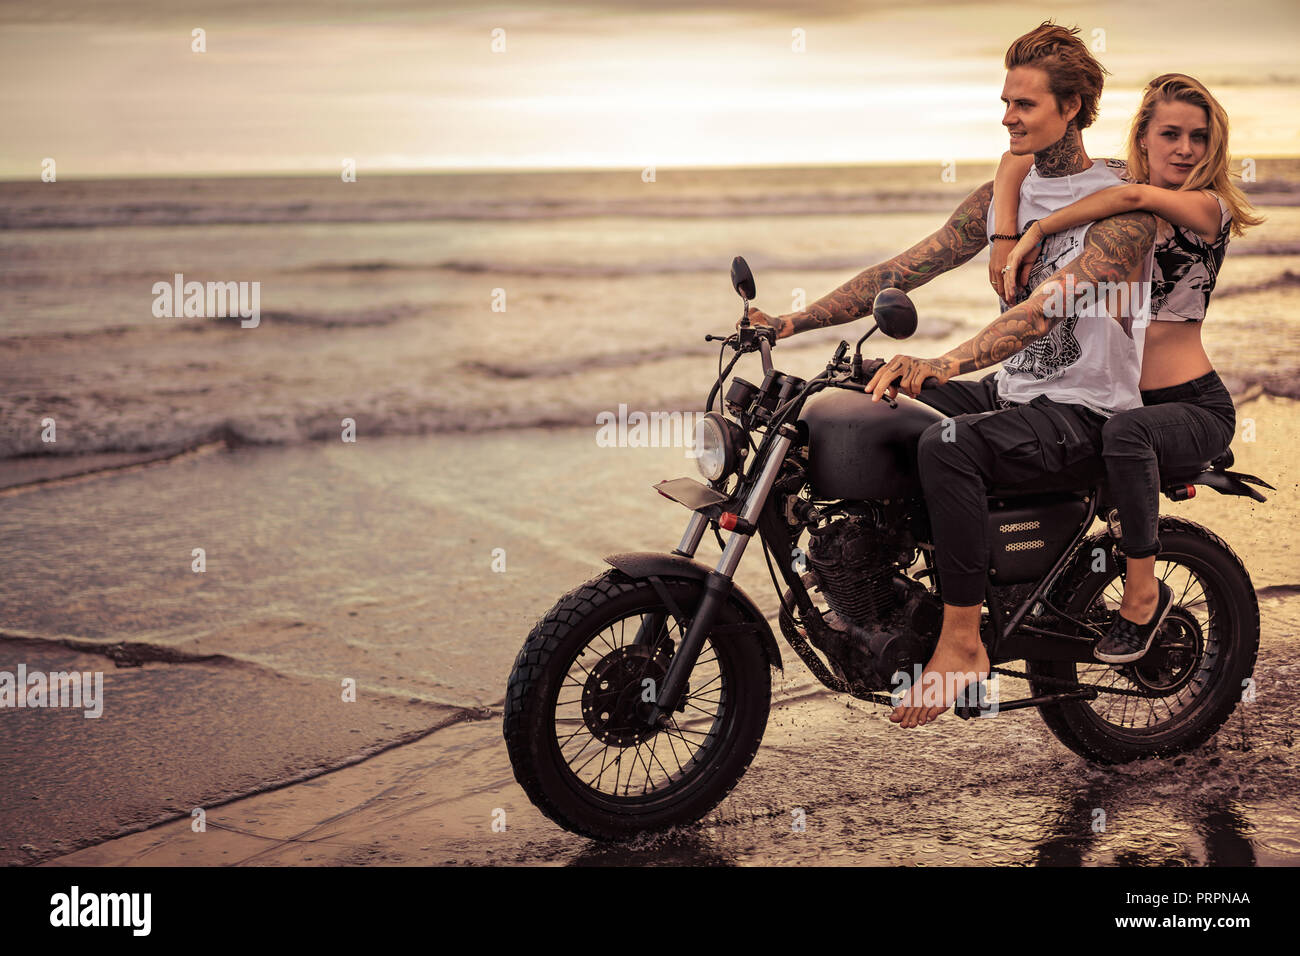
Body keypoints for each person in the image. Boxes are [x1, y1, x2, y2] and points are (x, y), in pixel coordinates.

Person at [744, 22, 1157, 729]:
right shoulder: (1007, 195)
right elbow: (910, 265)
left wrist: (943, 362)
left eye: (1025, 104)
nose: (1007, 117)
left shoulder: (1122, 200)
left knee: (947, 444)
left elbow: (1039, 311)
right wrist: (794, 321)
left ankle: (962, 644)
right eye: (1005, 101)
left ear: (1073, 105)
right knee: (863, 400)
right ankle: (865, 588)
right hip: (1016, 393)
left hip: (1086, 410)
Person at [991, 74, 1262, 664]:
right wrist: (1002, 235)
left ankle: (1143, 594)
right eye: (1170, 134)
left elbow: (1133, 200)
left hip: (1189, 405)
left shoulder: (1205, 207)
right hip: (1116, 394)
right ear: (1144, 135)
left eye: (1198, 137)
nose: (1184, 149)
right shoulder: (1112, 181)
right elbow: (1017, 163)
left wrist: (1039, 229)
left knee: (1124, 433)